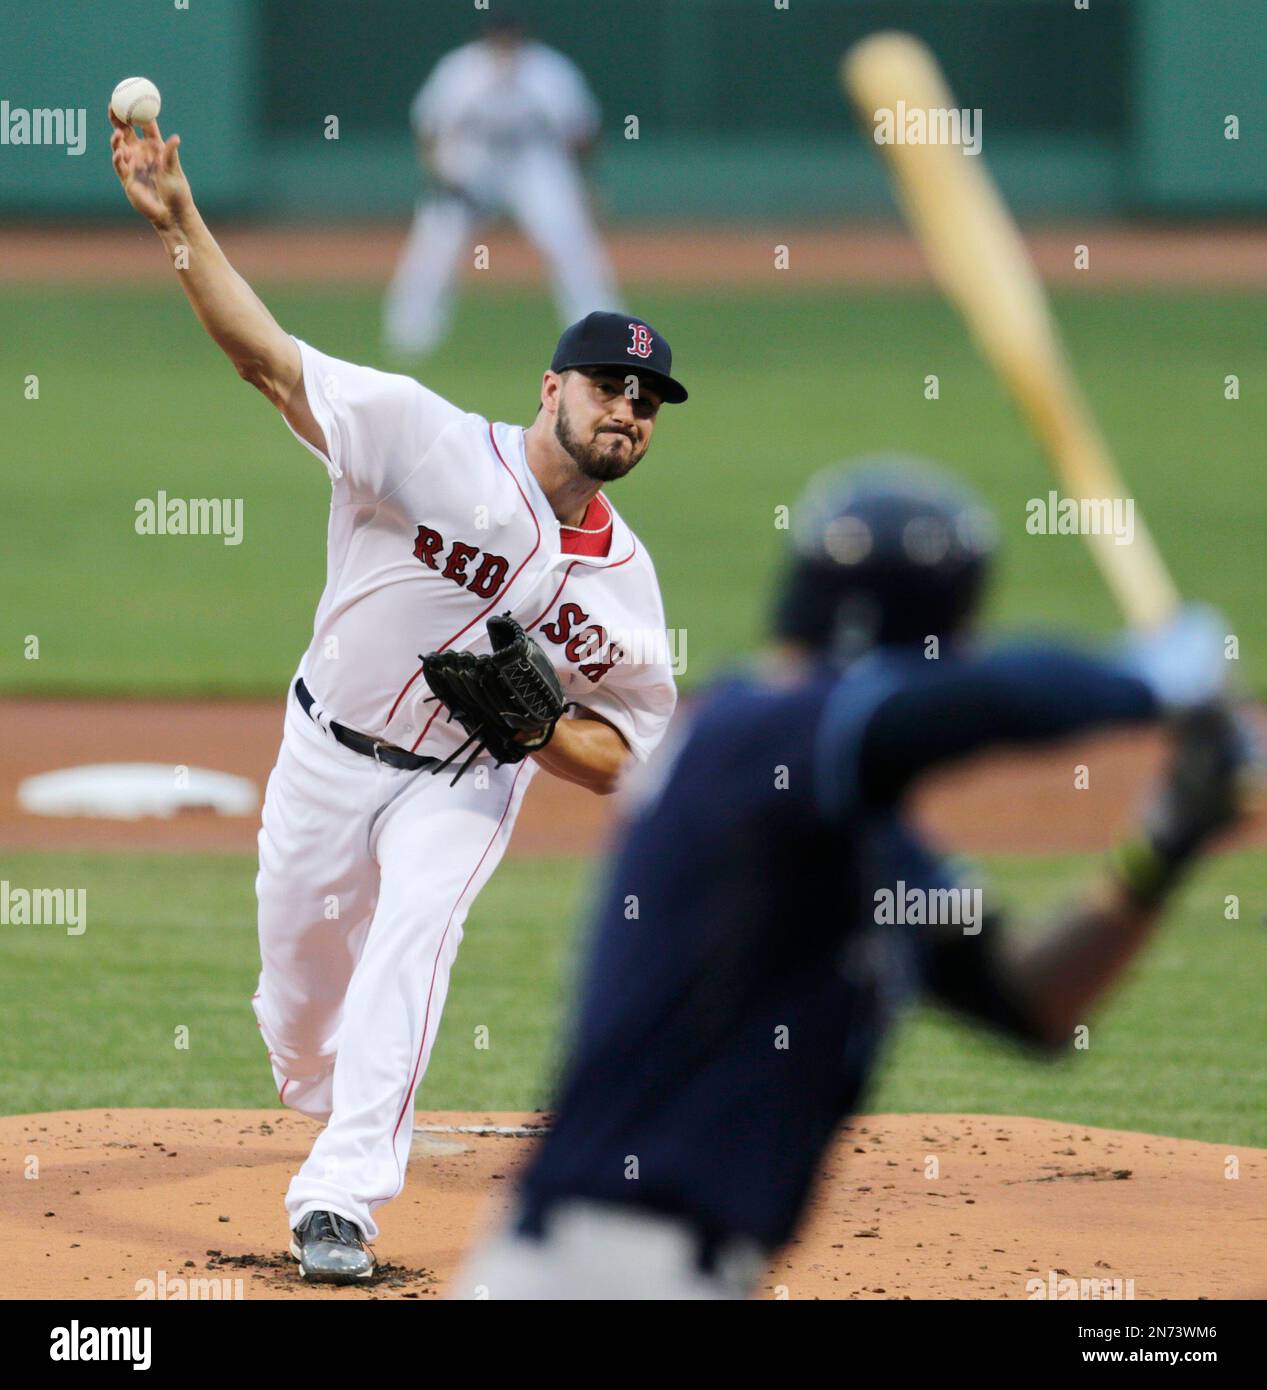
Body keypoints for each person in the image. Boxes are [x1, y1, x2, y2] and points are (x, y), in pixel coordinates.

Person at [109, 107, 684, 1282]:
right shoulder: (420, 439)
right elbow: (266, 356)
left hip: (460, 790)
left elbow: (636, 759)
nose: (627, 407)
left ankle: (342, 1199)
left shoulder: (627, 586)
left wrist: (538, 731)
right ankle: (332, 1099)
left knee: (413, 941)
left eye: (648, 399)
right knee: (299, 1018)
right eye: (610, 384)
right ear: (552, 385)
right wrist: (180, 224)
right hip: (325, 751)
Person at [456, 459, 1252, 1299]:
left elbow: (1032, 1003)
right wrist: (1148, 682)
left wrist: (1161, 847)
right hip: (603, 1271)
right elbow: (958, 705)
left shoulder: (850, 844)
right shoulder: (756, 734)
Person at [383, 12, 620, 356]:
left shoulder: (548, 71)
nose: (505, 47)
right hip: (473, 160)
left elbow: (581, 132)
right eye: (498, 40)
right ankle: (409, 333)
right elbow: (429, 128)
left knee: (569, 237)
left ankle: (599, 331)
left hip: (534, 162)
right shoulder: (460, 70)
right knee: (437, 237)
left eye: (510, 40)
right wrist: (440, 175)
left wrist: (587, 183)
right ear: (486, 40)